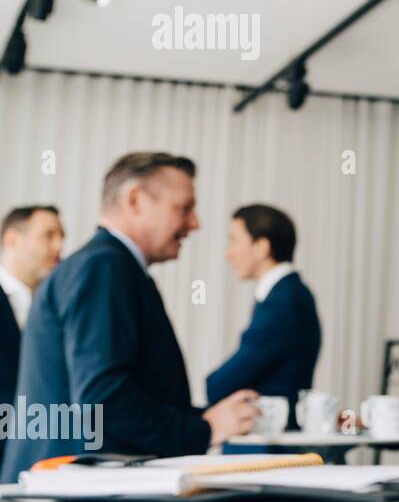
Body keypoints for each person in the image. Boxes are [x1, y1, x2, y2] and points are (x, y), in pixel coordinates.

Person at [0, 152, 259, 482]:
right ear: (135, 200)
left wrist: (206, 418)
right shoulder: (104, 268)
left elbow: (128, 394)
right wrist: (205, 429)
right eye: (184, 208)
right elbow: (104, 400)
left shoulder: (111, 266)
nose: (195, 223)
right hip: (73, 495)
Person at [206, 204, 322, 428]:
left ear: (261, 247)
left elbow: (220, 385)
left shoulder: (282, 303)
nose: (228, 254)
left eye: (234, 241)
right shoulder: (289, 294)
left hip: (270, 439)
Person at [0, 205, 64, 472]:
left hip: (42, 463)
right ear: (12, 240)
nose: (59, 246)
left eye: (61, 236)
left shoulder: (57, 306)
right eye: (48, 235)